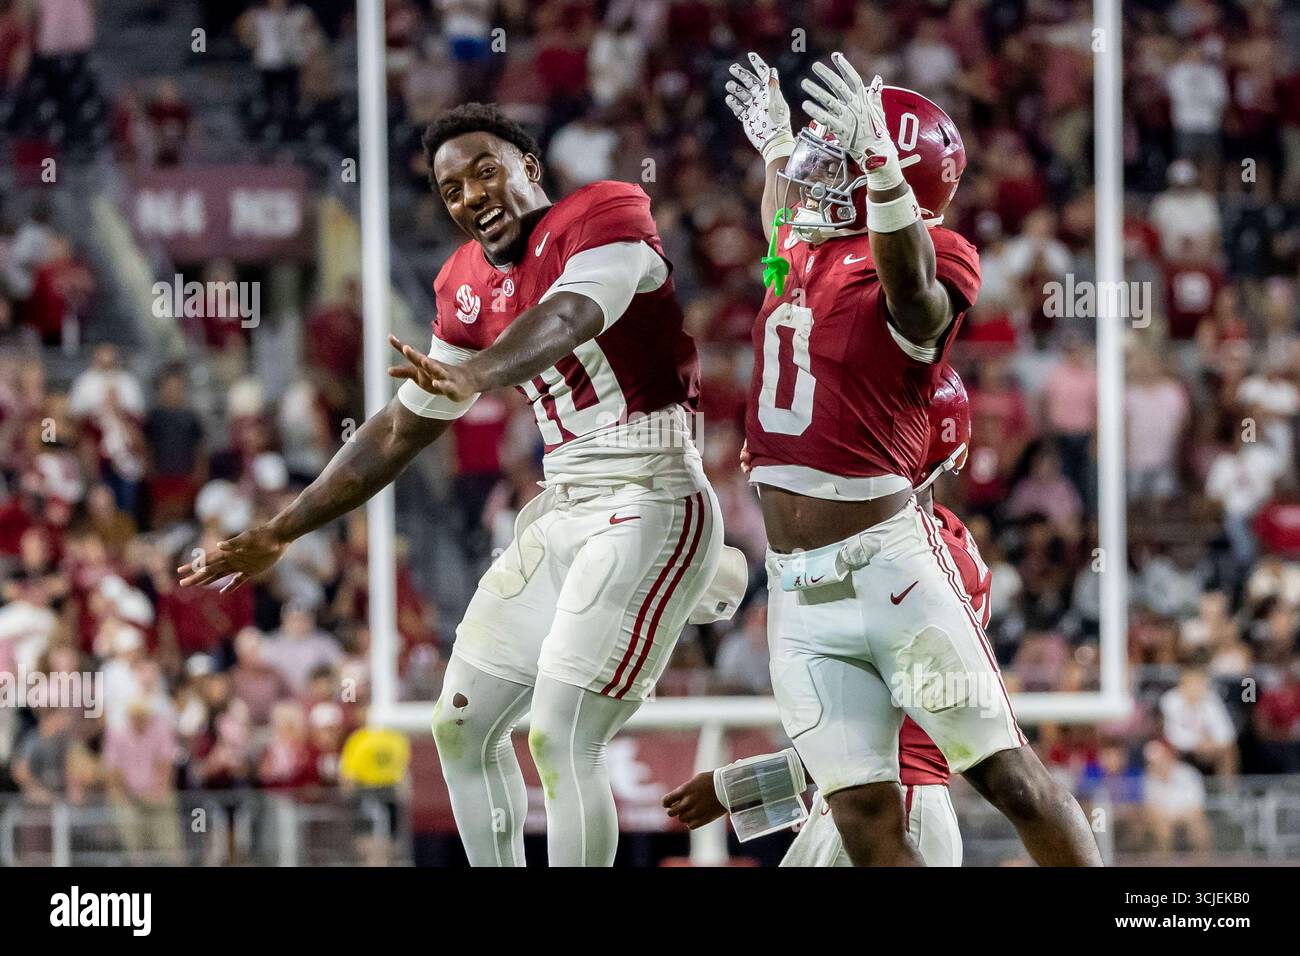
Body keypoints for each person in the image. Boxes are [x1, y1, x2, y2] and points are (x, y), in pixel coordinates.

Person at [179, 103, 741, 867]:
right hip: (564, 503)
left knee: (560, 731)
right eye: (451, 188)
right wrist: (283, 528)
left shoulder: (604, 211)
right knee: (460, 726)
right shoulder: (464, 284)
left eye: (485, 170)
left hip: (651, 491)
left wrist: (472, 372)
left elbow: (575, 313)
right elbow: (400, 429)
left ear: (528, 170)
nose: (471, 194)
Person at [722, 51, 1099, 865]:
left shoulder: (935, 251)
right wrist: (778, 150)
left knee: (1012, 779)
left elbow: (918, 305)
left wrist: (885, 175)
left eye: (838, 158)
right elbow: (778, 227)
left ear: (886, 173)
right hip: (794, 583)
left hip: (886, 565)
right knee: (858, 813)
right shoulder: (802, 245)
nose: (815, 174)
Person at [665, 368, 983, 867]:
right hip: (860, 801)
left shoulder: (915, 562)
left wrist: (737, 787)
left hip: (892, 806)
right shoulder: (914, 545)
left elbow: (868, 733)